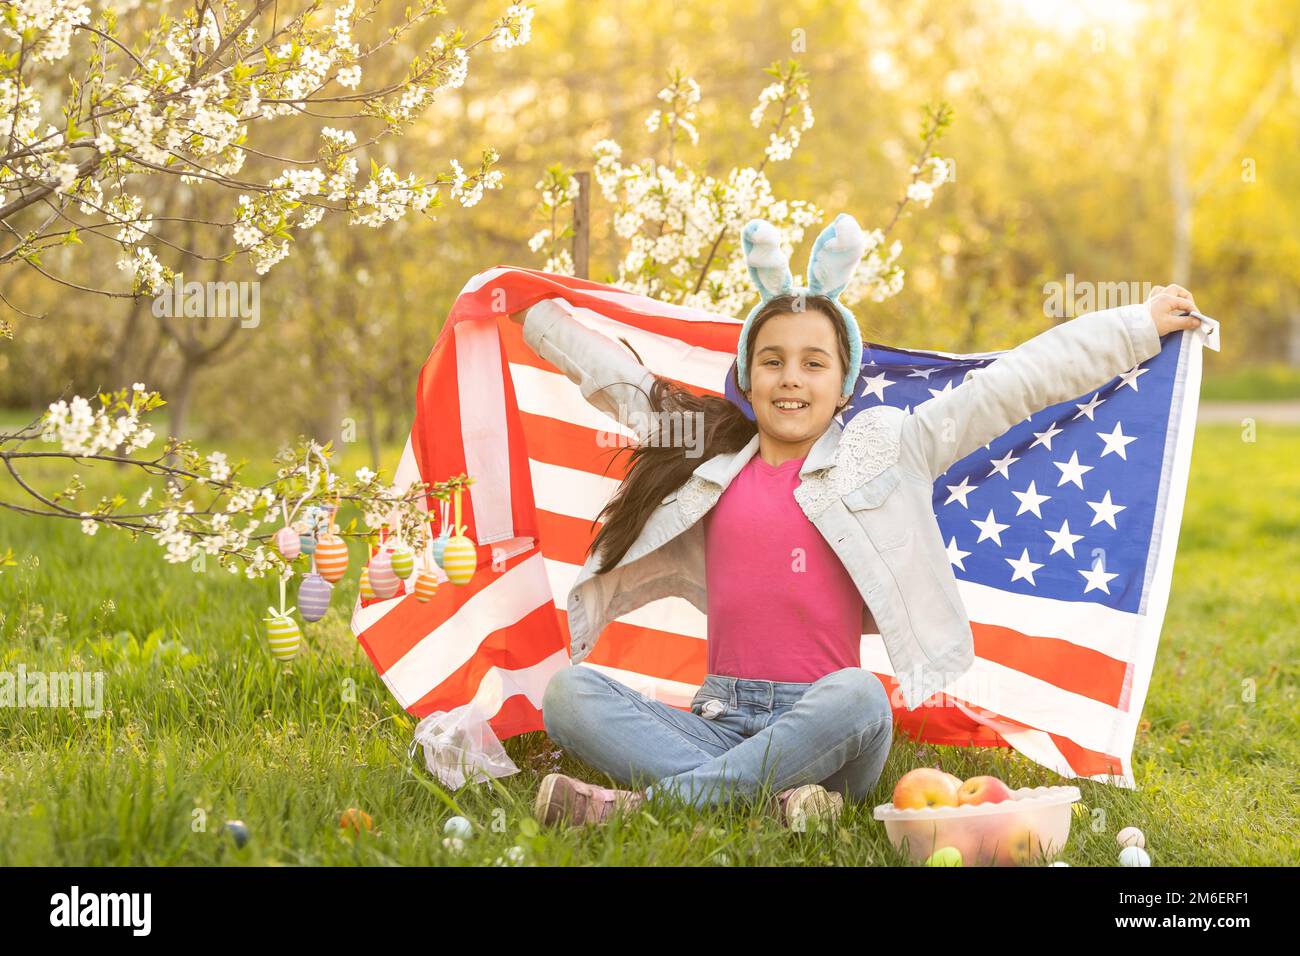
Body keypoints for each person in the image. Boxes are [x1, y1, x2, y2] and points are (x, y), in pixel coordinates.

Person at [512, 213, 1204, 830]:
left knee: (861, 694)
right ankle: (775, 803)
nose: (791, 378)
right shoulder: (707, 452)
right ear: (747, 378)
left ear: (844, 384)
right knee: (571, 694)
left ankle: (646, 808)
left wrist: (1133, 326)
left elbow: (1012, 386)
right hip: (717, 723)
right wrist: (532, 314)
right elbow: (619, 384)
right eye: (773, 361)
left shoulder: (888, 452)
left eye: (814, 364)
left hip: (830, 730)